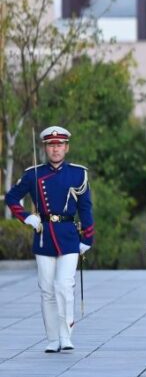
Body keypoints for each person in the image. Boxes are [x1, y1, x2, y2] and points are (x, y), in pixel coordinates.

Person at [5, 126, 94, 353]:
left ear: (67, 147)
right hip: (44, 235)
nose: (56, 149)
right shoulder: (33, 173)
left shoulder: (77, 173)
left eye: (60, 145)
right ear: (45, 148)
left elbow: (85, 207)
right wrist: (27, 218)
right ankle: (53, 338)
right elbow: (12, 197)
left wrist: (88, 237)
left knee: (64, 285)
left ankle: (66, 334)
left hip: (68, 235)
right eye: (51, 145)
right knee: (46, 289)